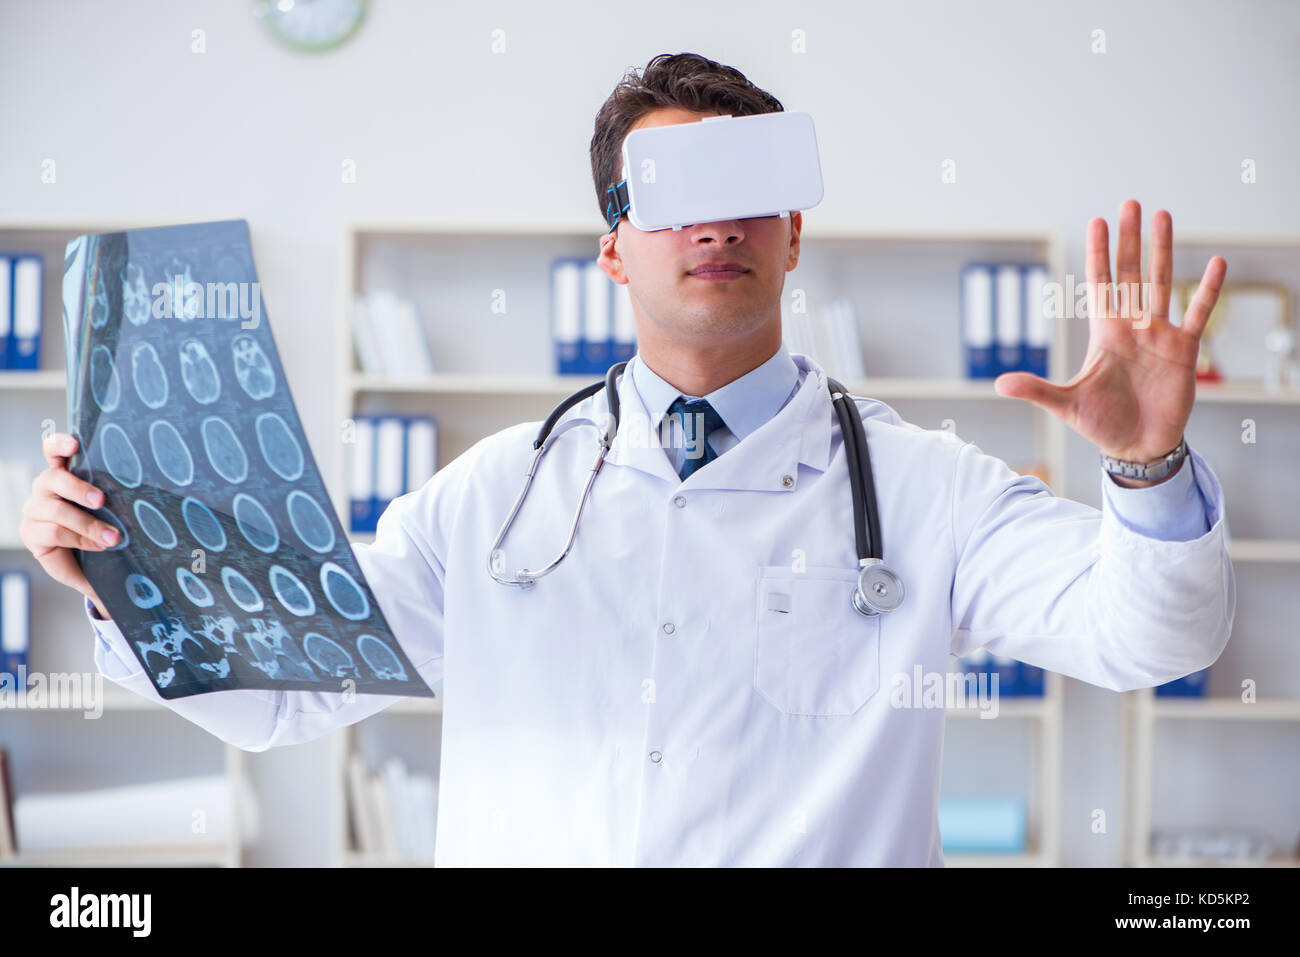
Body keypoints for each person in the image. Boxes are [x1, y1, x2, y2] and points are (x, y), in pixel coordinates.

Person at [19, 53, 1234, 866]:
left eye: (747, 188)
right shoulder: (491, 497)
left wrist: (1145, 468)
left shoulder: (927, 487)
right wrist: (120, 577)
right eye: (667, 196)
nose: (712, 224)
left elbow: (1151, 639)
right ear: (613, 250)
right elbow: (284, 694)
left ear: (793, 230)